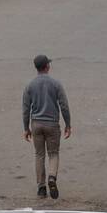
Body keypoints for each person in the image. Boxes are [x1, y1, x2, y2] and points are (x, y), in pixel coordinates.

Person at [23, 53, 71, 199]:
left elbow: (26, 109)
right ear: (47, 66)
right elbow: (64, 106)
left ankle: (41, 188)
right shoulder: (56, 84)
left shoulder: (30, 85)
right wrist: (68, 124)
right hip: (52, 125)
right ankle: (52, 177)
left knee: (39, 155)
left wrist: (26, 128)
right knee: (53, 153)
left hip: (36, 124)